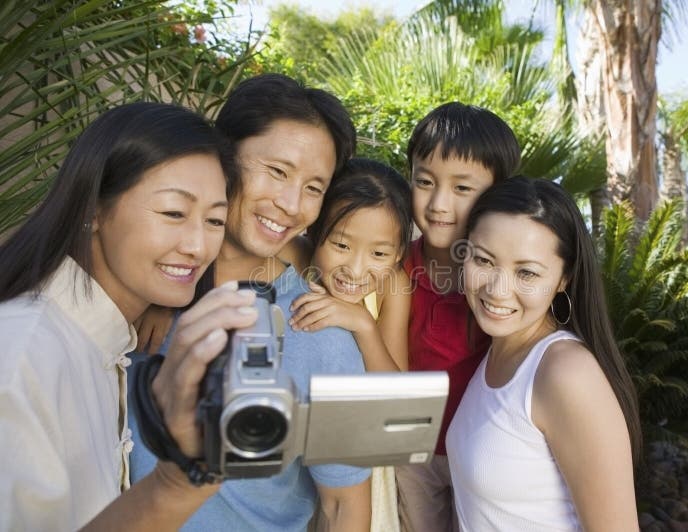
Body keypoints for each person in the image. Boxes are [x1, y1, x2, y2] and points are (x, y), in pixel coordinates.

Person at [0, 102, 261, 531]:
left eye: (215, 220)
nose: (198, 246)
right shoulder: (22, 358)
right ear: (94, 210)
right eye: (173, 213)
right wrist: (180, 479)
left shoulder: (108, 345)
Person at [128, 74, 372, 532]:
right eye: (278, 171)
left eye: (314, 187)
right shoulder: (147, 287)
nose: (290, 204)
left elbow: (344, 506)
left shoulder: (322, 333)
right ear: (223, 155)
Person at [446, 176, 642, 530]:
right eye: (484, 261)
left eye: (526, 273)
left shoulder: (565, 372)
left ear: (563, 279)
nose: (497, 290)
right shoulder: (492, 354)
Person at [395, 102, 521, 532]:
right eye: (424, 181)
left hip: (484, 451)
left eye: (463, 188)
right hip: (414, 452)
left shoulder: (506, 286)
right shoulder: (391, 267)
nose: (438, 203)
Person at [286, 157, 413, 532]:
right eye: (341, 244)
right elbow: (226, 248)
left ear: (399, 254)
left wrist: (363, 325)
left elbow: (397, 395)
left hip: (360, 458)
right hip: (298, 457)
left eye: (378, 253)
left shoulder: (394, 285)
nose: (355, 270)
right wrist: (163, 305)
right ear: (314, 232)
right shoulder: (296, 256)